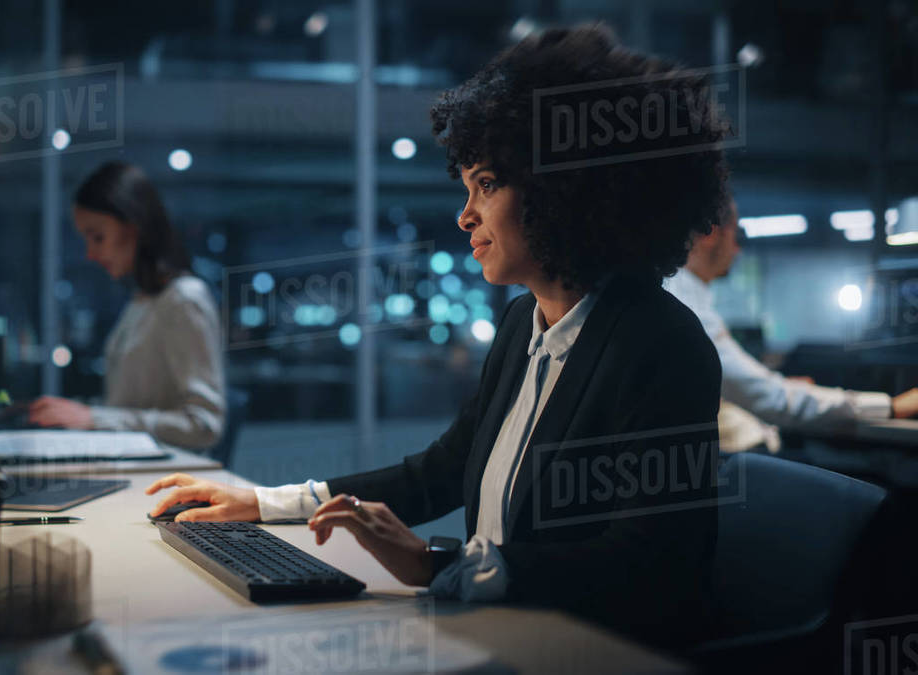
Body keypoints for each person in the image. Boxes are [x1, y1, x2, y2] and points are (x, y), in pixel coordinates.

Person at [148, 25, 729, 648]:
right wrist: (266, 503)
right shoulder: (521, 325)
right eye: (466, 188)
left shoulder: (664, 344)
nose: (465, 214)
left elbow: (649, 570)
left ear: (566, 187)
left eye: (486, 184)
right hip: (498, 634)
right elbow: (443, 472)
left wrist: (438, 565)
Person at [664, 198, 918, 453]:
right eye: (737, 235)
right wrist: (892, 406)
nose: (737, 250)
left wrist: (775, 385)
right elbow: (771, 399)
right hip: (735, 461)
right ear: (711, 232)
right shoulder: (686, 308)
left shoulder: (679, 297)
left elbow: (743, 387)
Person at [28, 161, 226, 450]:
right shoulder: (143, 301)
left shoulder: (183, 299)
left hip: (167, 482)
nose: (90, 254)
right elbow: (128, 408)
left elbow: (204, 425)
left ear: (134, 229)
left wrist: (95, 418)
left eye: (98, 237)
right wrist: (82, 414)